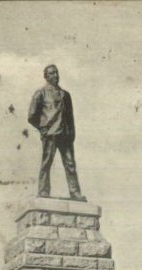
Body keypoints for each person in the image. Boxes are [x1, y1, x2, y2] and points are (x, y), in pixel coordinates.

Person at [28, 64, 86, 201]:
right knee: (47, 162)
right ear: (46, 76)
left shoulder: (66, 95)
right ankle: (43, 191)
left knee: (70, 164)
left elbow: (70, 117)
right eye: (52, 73)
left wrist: (71, 135)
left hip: (65, 135)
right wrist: (42, 128)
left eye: (57, 73)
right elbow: (31, 116)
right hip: (50, 134)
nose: (55, 75)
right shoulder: (40, 93)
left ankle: (75, 193)